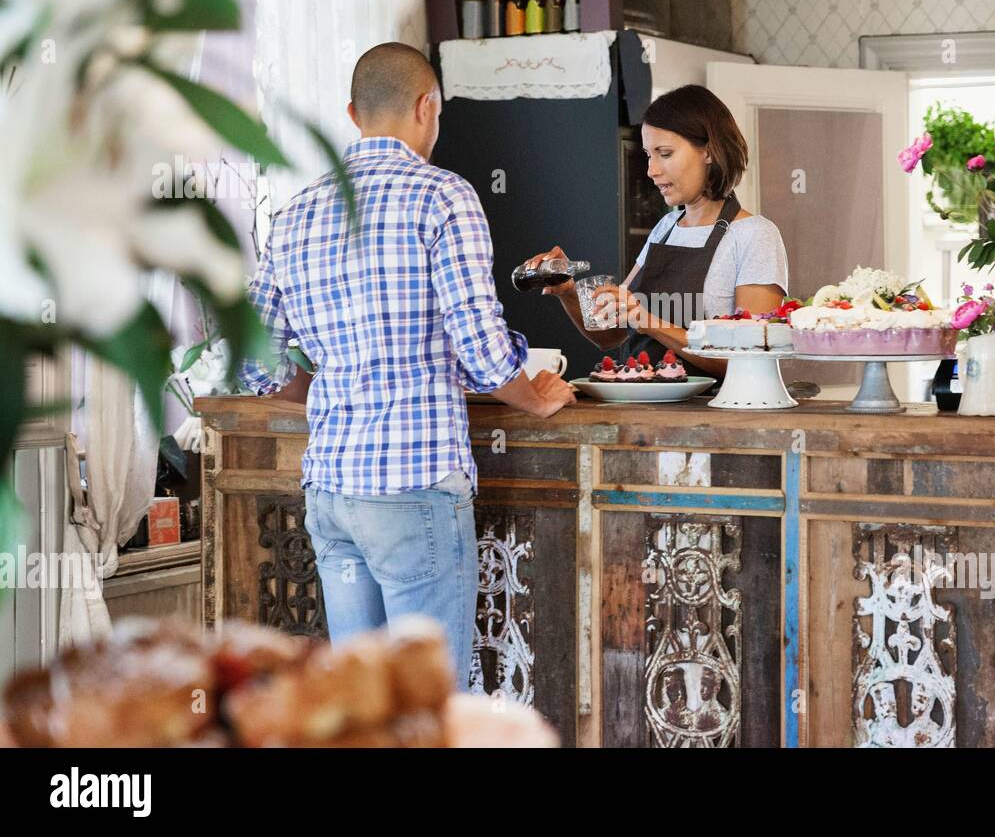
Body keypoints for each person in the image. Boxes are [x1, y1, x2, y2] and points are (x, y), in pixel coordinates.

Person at [238, 42, 574, 686]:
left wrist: (336, 383)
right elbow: (481, 349)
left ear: (352, 114)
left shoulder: (296, 212)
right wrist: (538, 397)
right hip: (413, 482)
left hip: (332, 489)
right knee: (428, 699)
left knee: (363, 702)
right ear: (428, 107)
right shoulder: (442, 195)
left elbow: (252, 360)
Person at [524, 84, 789, 378]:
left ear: (709, 151)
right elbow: (611, 334)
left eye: (665, 153)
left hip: (713, 405)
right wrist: (568, 291)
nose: (651, 170)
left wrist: (647, 320)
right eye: (649, 155)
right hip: (643, 403)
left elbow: (750, 357)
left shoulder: (755, 235)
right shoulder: (665, 228)